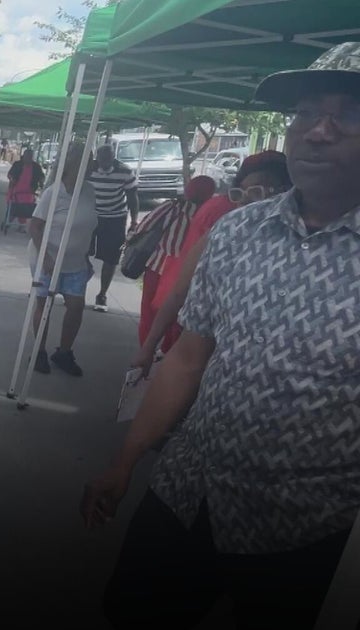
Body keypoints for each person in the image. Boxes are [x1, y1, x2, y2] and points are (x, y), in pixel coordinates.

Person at [81, 42, 360, 630]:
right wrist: (126, 459)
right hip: (188, 490)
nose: (318, 131)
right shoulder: (240, 231)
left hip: (303, 528)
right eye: (308, 113)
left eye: (348, 114)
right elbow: (188, 357)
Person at [131, 152, 292, 375]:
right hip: (208, 354)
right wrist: (148, 348)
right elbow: (179, 293)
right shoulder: (226, 231)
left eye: (257, 192)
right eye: (240, 193)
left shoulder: (298, 246)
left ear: (286, 192)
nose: (244, 201)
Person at [28, 143, 99, 377]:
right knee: (43, 305)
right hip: (48, 259)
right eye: (88, 162)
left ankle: (64, 352)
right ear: (74, 165)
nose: (92, 166)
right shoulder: (53, 192)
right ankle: (39, 351)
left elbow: (88, 228)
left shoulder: (89, 191)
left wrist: (86, 255)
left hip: (76, 262)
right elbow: (35, 227)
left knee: (76, 307)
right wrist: (46, 257)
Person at [133, 176, 216, 354]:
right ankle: (166, 353)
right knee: (177, 318)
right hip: (188, 273)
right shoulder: (211, 214)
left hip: (158, 266)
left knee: (149, 314)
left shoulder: (172, 206)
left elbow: (143, 227)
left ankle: (145, 352)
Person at [87, 144, 141, 312]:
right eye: (102, 159)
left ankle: (102, 294)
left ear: (114, 157)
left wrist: (134, 221)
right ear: (97, 157)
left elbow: (133, 196)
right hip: (91, 216)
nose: (105, 163)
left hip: (115, 218)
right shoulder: (89, 169)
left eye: (109, 159)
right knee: (80, 251)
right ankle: (77, 288)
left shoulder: (124, 171)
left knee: (111, 258)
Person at [7, 149, 46, 230]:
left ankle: (22, 225)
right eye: (27, 156)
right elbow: (10, 174)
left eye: (30, 157)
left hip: (29, 192)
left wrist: (41, 182)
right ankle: (9, 220)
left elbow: (41, 176)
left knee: (26, 207)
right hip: (15, 190)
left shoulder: (36, 167)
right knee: (13, 206)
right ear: (23, 156)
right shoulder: (17, 164)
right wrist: (12, 179)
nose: (28, 158)